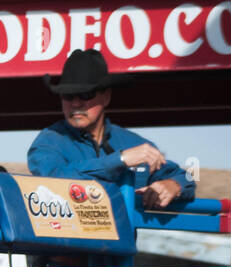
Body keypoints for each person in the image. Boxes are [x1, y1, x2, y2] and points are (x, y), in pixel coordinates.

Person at [27, 49, 194, 210]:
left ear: (106, 97)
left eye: (85, 94)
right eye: (68, 95)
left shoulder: (133, 143)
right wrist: (120, 160)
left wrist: (174, 185)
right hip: (66, 238)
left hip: (121, 239)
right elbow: (52, 179)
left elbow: (187, 177)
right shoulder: (48, 141)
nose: (76, 104)